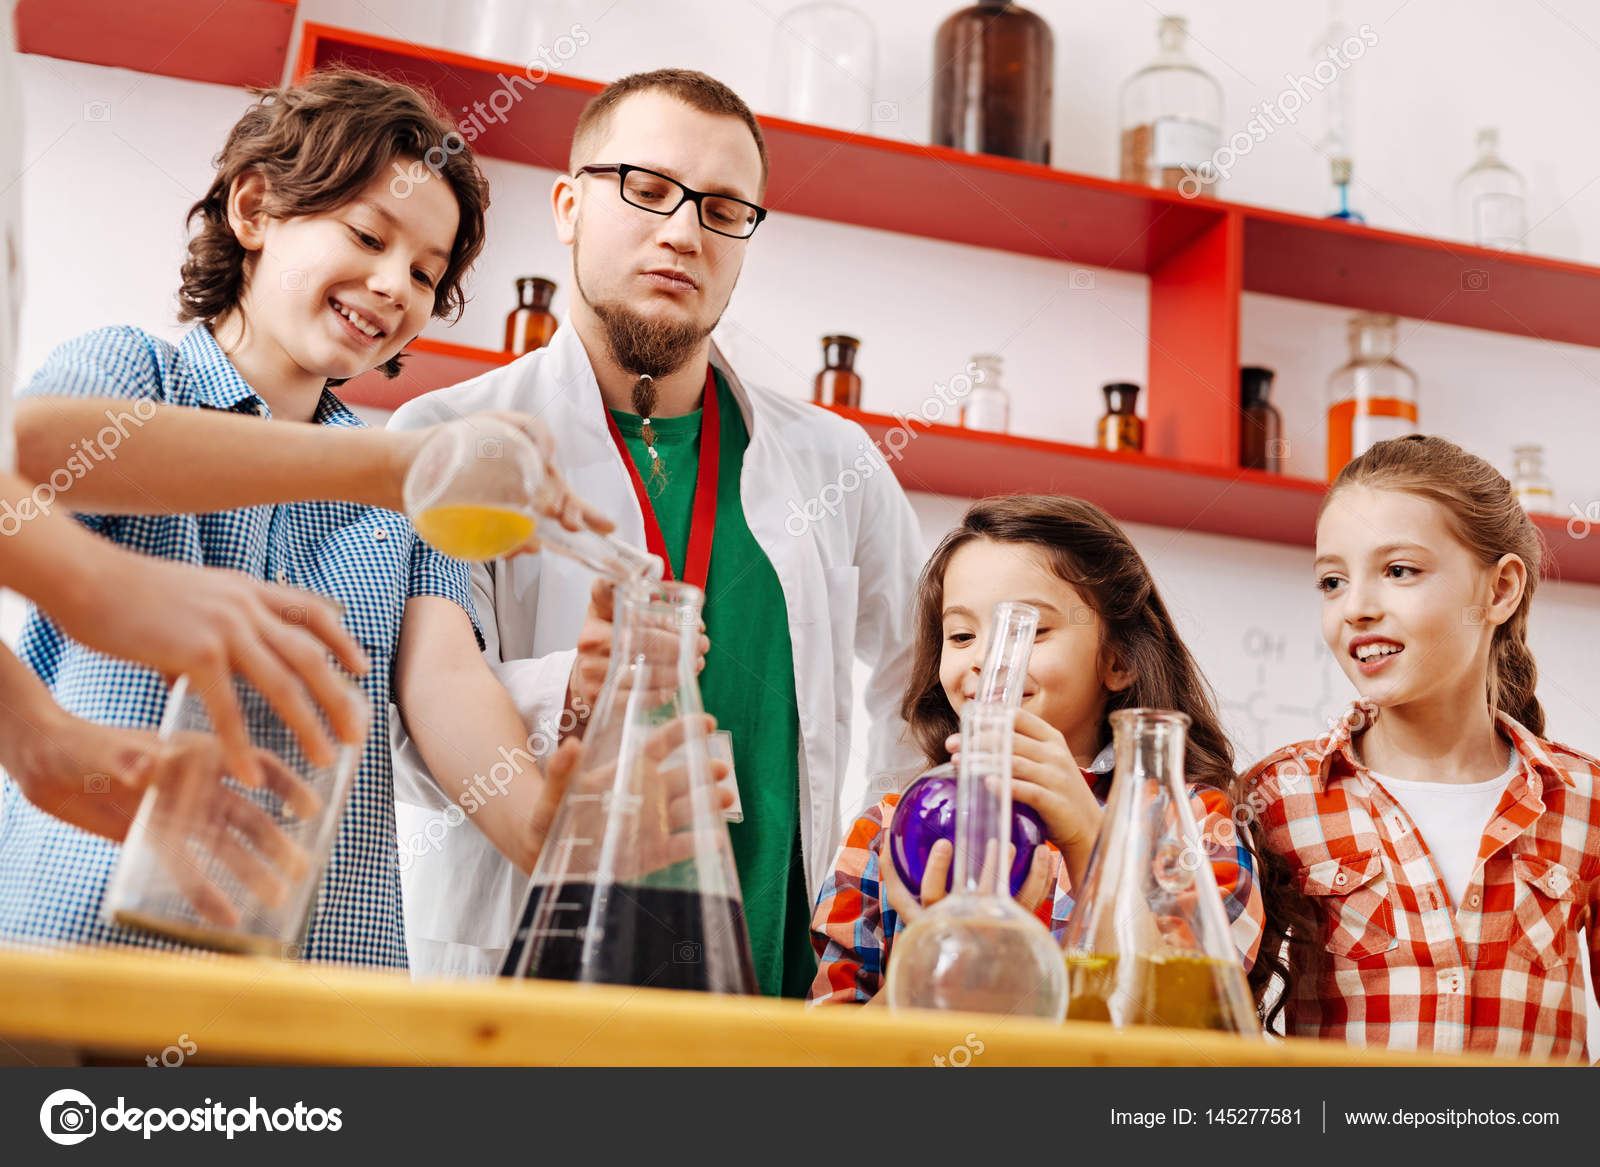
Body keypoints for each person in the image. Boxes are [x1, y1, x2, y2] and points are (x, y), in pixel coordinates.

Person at [0, 71, 600, 969]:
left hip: (321, 986)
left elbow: (445, 685)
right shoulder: (133, 374)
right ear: (254, 209)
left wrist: (536, 817)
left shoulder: (405, 505)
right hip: (85, 949)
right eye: (368, 234)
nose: (396, 283)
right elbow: (30, 452)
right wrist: (396, 464)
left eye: (427, 274)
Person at [389, 69, 925, 992]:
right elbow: (415, 711)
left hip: (775, 989)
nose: (683, 232)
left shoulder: (836, 465)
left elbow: (923, 685)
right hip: (535, 981)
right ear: (568, 206)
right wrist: (573, 688)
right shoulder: (445, 439)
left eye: (723, 209)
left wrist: (877, 877)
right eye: (645, 189)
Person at [808, 495, 1264, 1005]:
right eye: (961, 635)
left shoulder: (1192, 822)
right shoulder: (886, 833)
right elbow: (824, 1054)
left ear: (1118, 660)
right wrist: (937, 964)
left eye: (1031, 630)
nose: (986, 659)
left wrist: (1087, 838)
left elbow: (1195, 1015)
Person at [1244, 435, 1599, 1061]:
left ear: (1500, 590)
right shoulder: (1274, 800)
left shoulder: (1584, 802)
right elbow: (1209, 1022)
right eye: (1332, 581)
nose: (1355, 608)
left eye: (1399, 571)